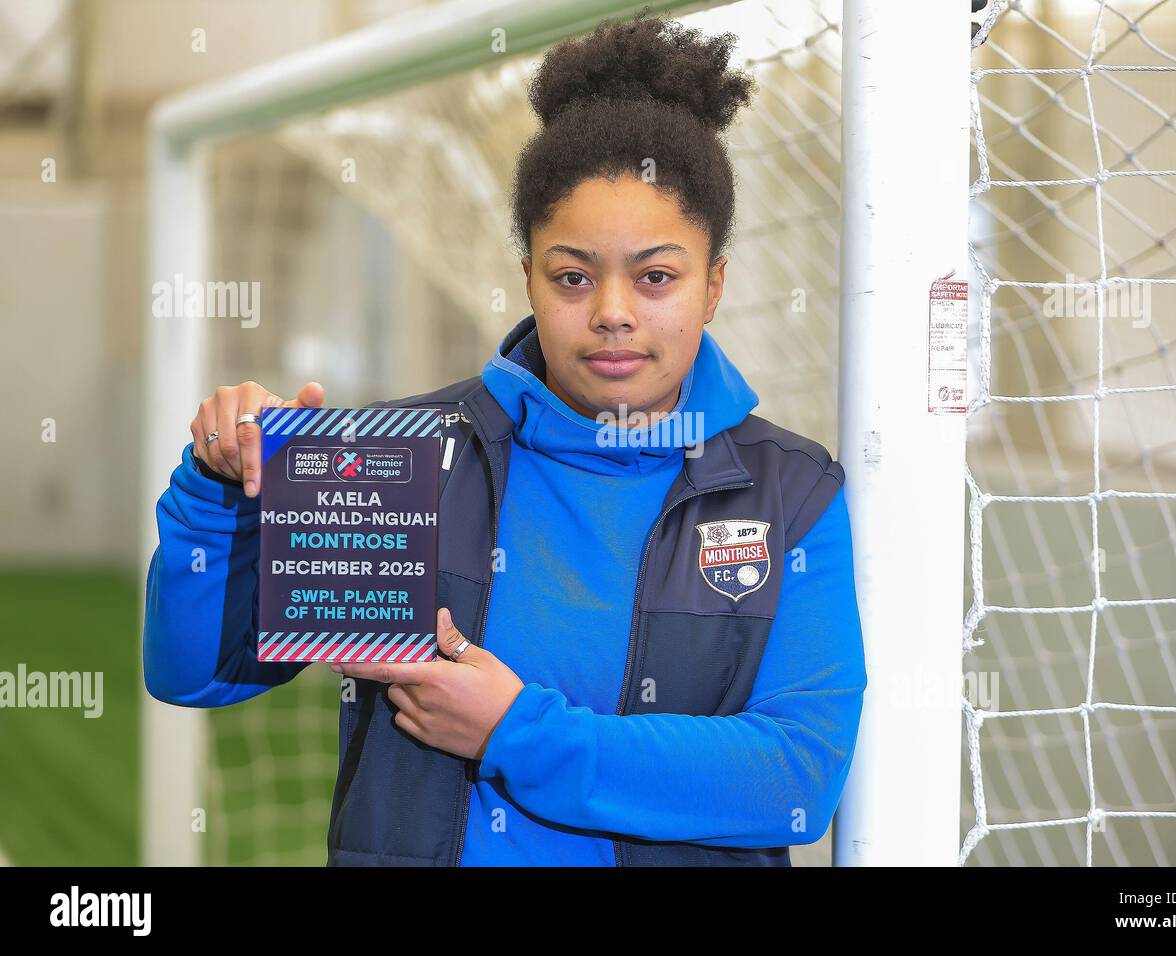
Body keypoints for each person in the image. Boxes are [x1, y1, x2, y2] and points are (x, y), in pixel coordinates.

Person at [144, 10, 866, 867]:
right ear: (526, 272)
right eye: (572, 275)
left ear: (713, 286)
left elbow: (796, 779)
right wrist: (219, 491)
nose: (612, 313)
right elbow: (194, 673)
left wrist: (516, 734)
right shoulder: (406, 459)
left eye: (657, 276)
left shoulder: (788, 492)